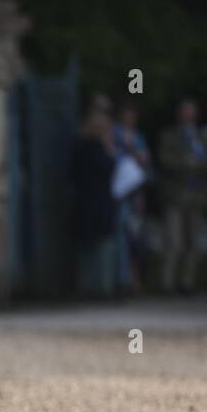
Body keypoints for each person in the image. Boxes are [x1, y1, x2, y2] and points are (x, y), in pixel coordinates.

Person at [157, 98, 207, 294]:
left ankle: (187, 283)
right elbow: (164, 160)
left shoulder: (201, 136)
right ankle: (167, 283)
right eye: (185, 111)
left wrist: (197, 164)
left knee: (192, 242)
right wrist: (185, 163)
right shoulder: (170, 136)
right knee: (174, 241)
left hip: (196, 195)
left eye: (191, 111)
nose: (188, 115)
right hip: (175, 195)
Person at [70, 99, 117, 297]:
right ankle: (102, 287)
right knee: (103, 247)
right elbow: (109, 169)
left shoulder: (78, 148)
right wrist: (110, 151)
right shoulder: (99, 150)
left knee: (86, 248)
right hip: (100, 204)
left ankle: (85, 286)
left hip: (82, 203)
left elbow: (70, 175)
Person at [111, 104, 151, 293]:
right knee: (122, 240)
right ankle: (122, 280)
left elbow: (145, 164)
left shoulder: (138, 137)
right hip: (120, 194)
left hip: (135, 194)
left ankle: (134, 280)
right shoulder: (114, 135)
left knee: (136, 240)